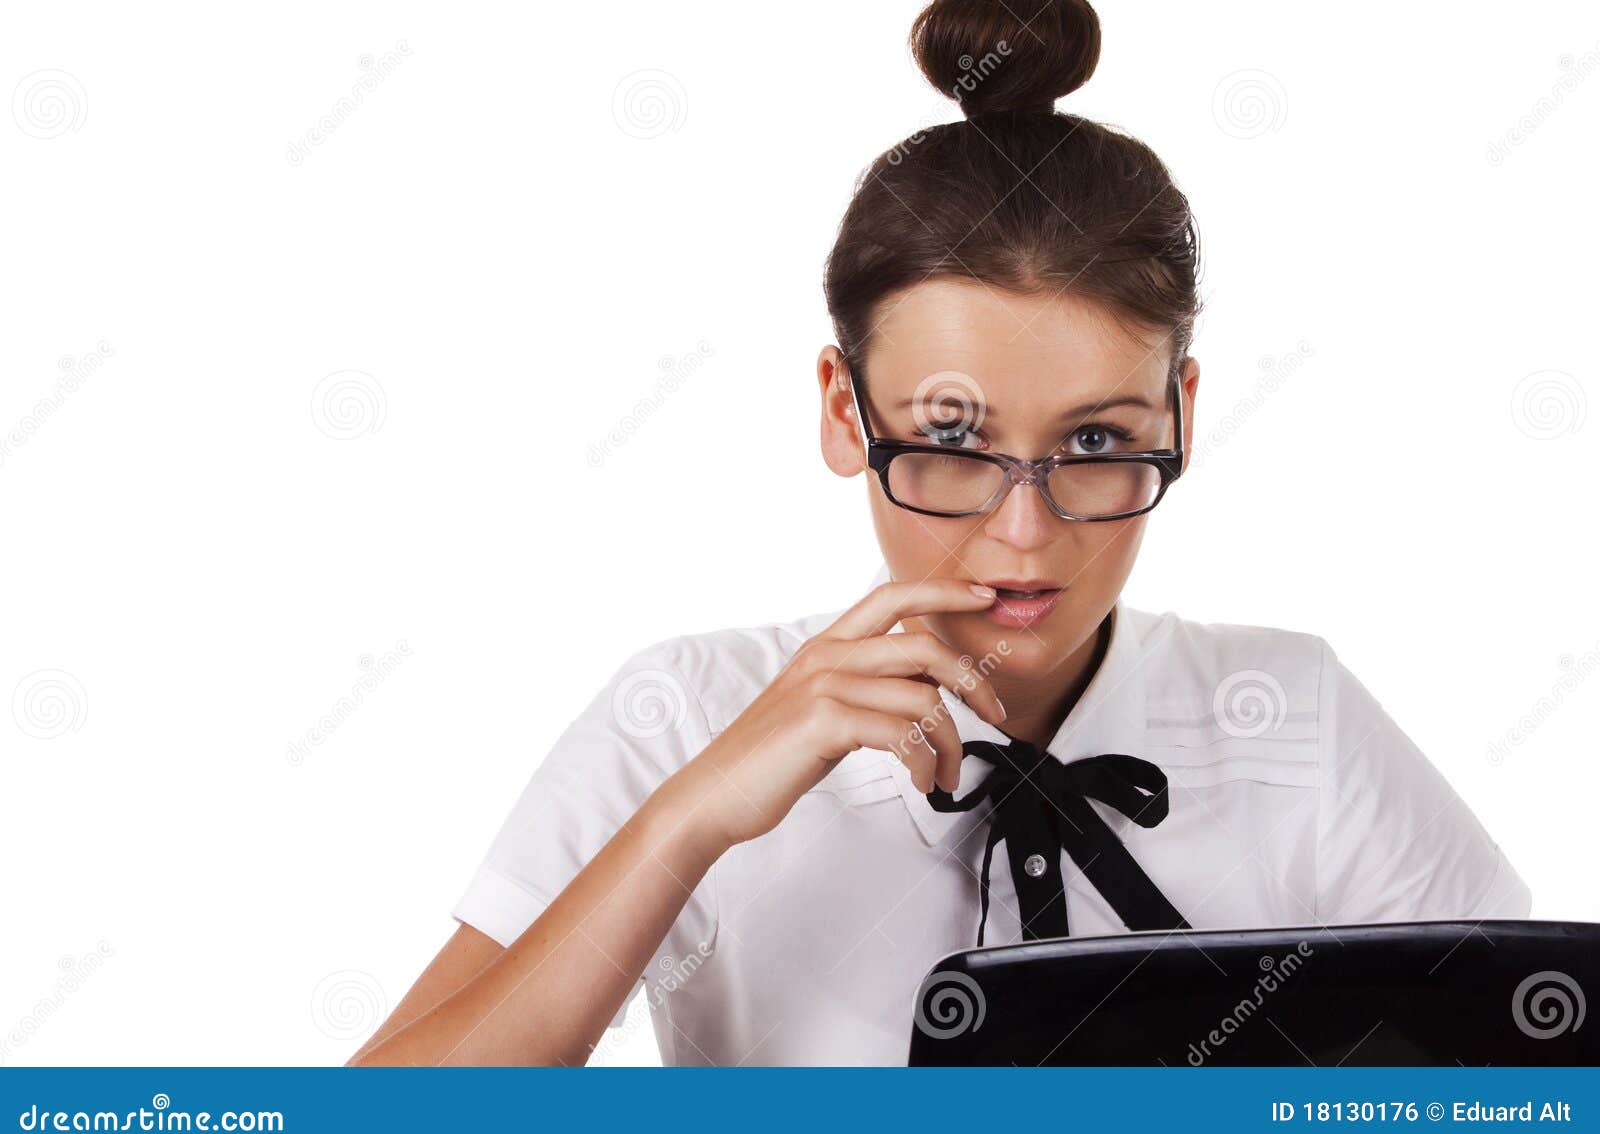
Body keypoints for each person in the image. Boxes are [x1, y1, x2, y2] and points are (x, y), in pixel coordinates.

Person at [350, 0, 1531, 1067]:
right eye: (953, 443)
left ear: (1178, 413)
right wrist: (688, 818)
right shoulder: (684, 715)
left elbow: (1539, 1081)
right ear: (842, 411)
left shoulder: (1295, 723)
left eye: (1095, 441)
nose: (1024, 534)